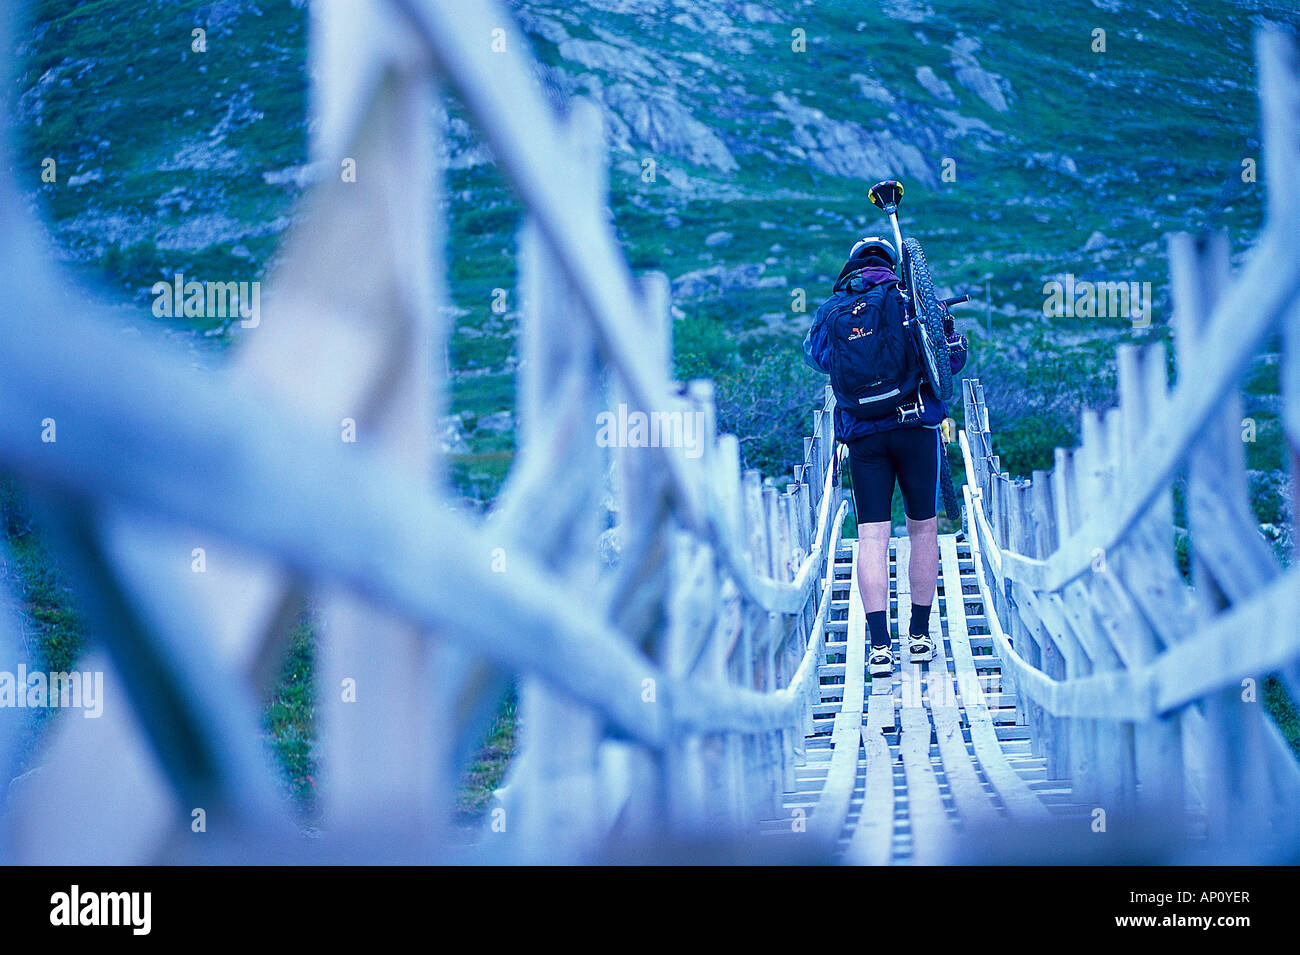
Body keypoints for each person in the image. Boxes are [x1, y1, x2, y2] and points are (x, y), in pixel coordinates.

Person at [802, 236, 967, 677]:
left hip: (862, 437)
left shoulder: (832, 310)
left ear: (852, 265)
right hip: (915, 426)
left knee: (872, 537)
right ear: (892, 263)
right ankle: (918, 636)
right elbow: (952, 360)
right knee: (923, 530)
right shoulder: (911, 297)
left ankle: (879, 648)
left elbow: (817, 357)